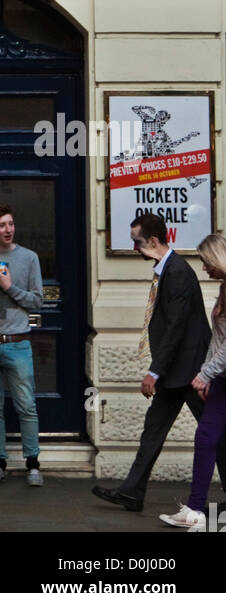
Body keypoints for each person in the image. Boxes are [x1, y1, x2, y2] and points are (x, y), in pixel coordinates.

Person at [92, 212, 226, 515]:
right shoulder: (167, 269)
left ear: (153, 240)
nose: (134, 247)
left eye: (137, 242)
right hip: (179, 370)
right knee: (154, 430)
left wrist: (155, 371)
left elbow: (176, 327)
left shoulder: (177, 272)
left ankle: (149, 495)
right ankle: (132, 492)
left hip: (192, 371)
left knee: (214, 434)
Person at [0, 203, 44, 486]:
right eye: (2, 225)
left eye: (11, 224)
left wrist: (9, 287)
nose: (8, 230)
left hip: (18, 343)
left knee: (26, 405)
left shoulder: (29, 258)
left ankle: (33, 463)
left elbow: (37, 300)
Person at [160, 232, 226, 531]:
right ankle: (195, 510)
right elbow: (218, 339)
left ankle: (196, 509)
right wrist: (207, 371)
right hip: (222, 379)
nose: (204, 269)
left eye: (206, 263)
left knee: (208, 438)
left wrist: (204, 374)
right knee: (207, 438)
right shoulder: (225, 288)